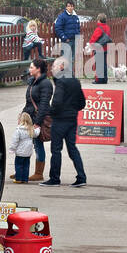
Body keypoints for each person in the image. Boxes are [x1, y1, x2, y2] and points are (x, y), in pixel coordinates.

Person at [41, 57, 87, 187]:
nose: (52, 69)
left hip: (60, 120)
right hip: (72, 119)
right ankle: (81, 176)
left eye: (54, 66)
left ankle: (55, 178)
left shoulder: (61, 82)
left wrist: (51, 113)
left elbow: (57, 102)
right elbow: (82, 102)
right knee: (72, 148)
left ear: (62, 67)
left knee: (56, 150)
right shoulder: (75, 81)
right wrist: (73, 110)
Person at [21, 57, 52, 184]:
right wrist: (22, 115)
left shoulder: (45, 84)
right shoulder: (32, 82)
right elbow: (29, 101)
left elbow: (44, 105)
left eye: (32, 67)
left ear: (38, 69)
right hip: (29, 117)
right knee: (25, 143)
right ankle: (21, 170)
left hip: (38, 118)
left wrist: (37, 123)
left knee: (38, 145)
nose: (30, 69)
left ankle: (39, 173)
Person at [9, 112, 39, 183]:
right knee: (26, 166)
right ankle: (25, 179)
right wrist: (38, 129)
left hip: (20, 152)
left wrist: (12, 149)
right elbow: (36, 134)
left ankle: (18, 179)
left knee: (18, 165)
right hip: (28, 152)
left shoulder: (18, 130)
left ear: (20, 120)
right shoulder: (31, 130)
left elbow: (15, 141)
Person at [53, 2, 81, 68]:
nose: (70, 8)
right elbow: (58, 28)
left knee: (72, 59)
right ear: (66, 7)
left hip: (75, 41)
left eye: (72, 6)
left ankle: (70, 75)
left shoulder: (75, 16)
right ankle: (64, 76)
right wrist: (64, 38)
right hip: (67, 41)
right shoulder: (62, 16)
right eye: (69, 6)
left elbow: (78, 28)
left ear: (73, 7)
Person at [86, 14, 111, 84]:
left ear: (99, 20)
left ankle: (99, 80)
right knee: (104, 64)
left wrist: (90, 44)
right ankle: (105, 79)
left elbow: (93, 39)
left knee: (99, 64)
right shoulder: (107, 27)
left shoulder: (99, 28)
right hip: (105, 48)